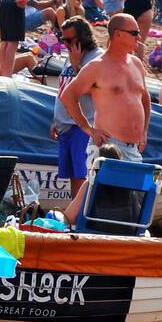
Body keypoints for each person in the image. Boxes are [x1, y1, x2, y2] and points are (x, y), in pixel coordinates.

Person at [59, 14, 150, 165]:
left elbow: (145, 99)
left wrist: (144, 130)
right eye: (134, 33)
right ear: (118, 34)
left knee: (133, 188)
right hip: (107, 146)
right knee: (97, 188)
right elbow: (67, 96)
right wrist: (88, 129)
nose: (139, 37)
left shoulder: (136, 64)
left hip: (133, 150)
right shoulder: (97, 67)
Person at [50, 18, 103, 195]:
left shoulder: (96, 58)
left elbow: (92, 89)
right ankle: (74, 219)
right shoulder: (72, 54)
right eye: (62, 39)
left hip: (82, 126)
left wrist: (76, 65)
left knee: (82, 177)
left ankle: (80, 216)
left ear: (83, 37)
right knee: (73, 176)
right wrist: (55, 120)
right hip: (65, 125)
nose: (65, 43)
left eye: (69, 40)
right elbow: (63, 88)